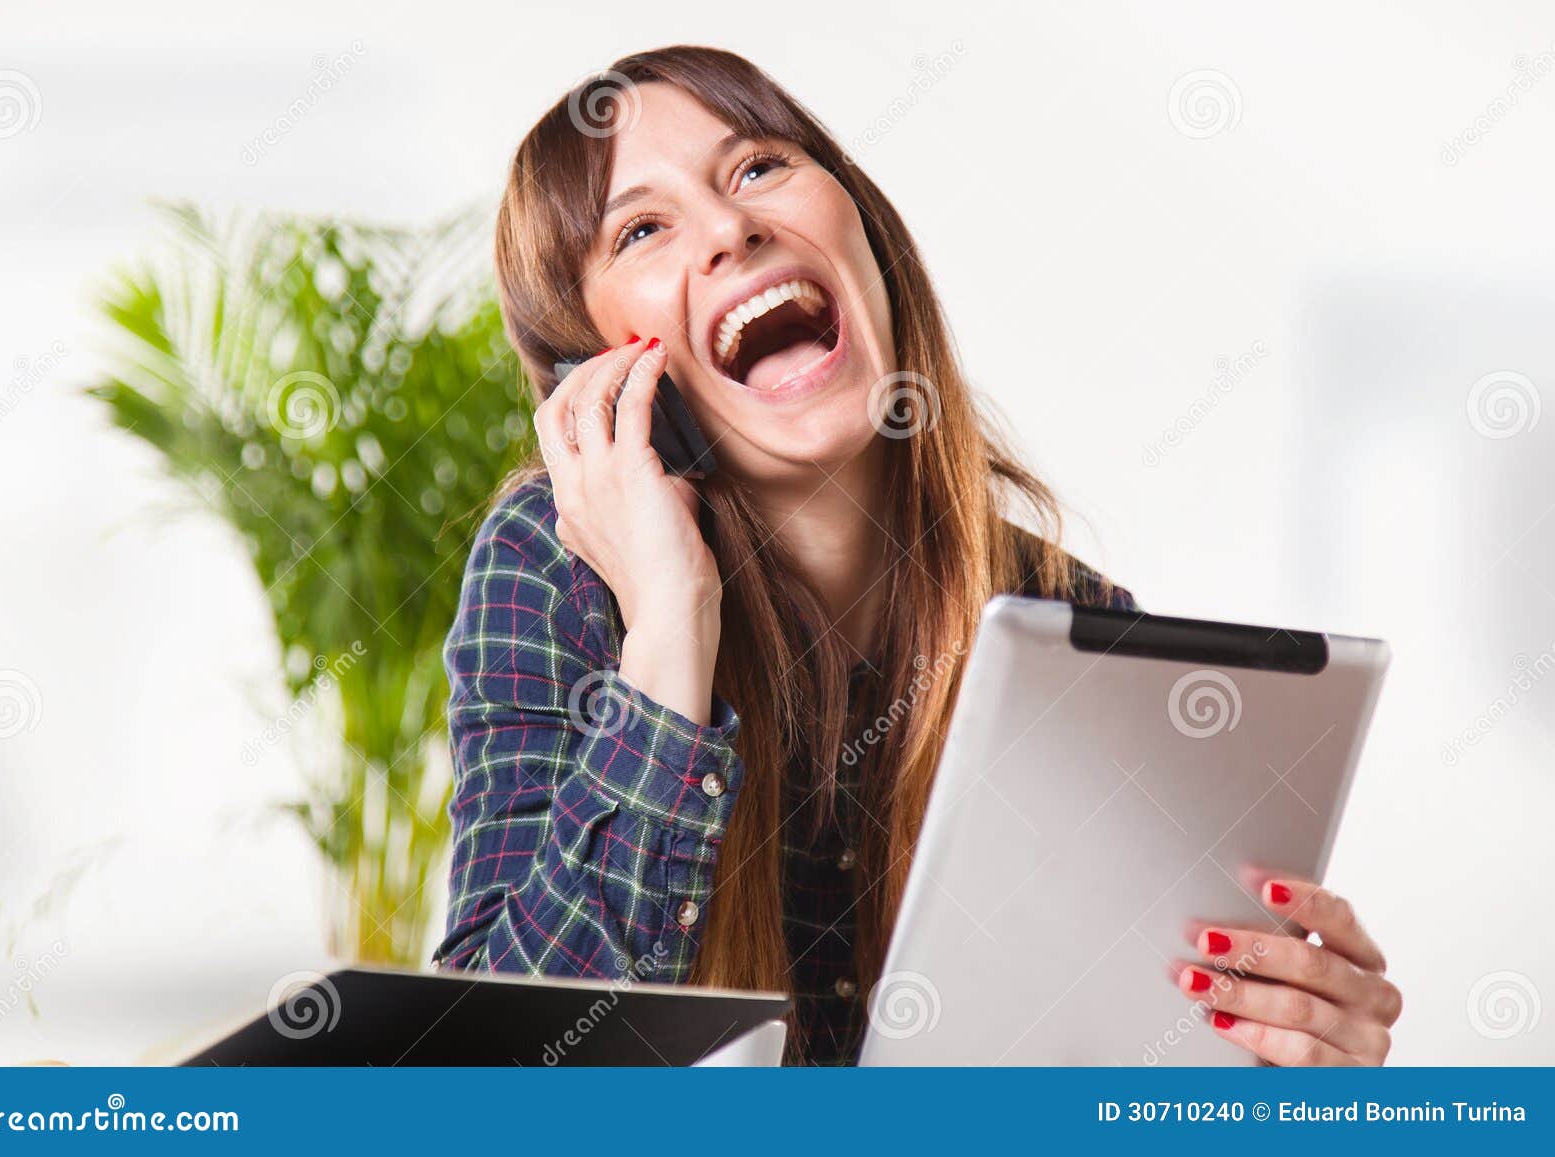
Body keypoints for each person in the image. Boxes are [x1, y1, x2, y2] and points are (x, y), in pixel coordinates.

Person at [432, 45, 1402, 1066]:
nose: (730, 228)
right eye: (641, 228)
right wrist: (670, 628)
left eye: (758, 167)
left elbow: (1105, 1083)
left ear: (863, 230)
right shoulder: (554, 574)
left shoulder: (1066, 616)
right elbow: (498, 1080)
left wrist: (1280, 1068)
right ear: (599, 377)